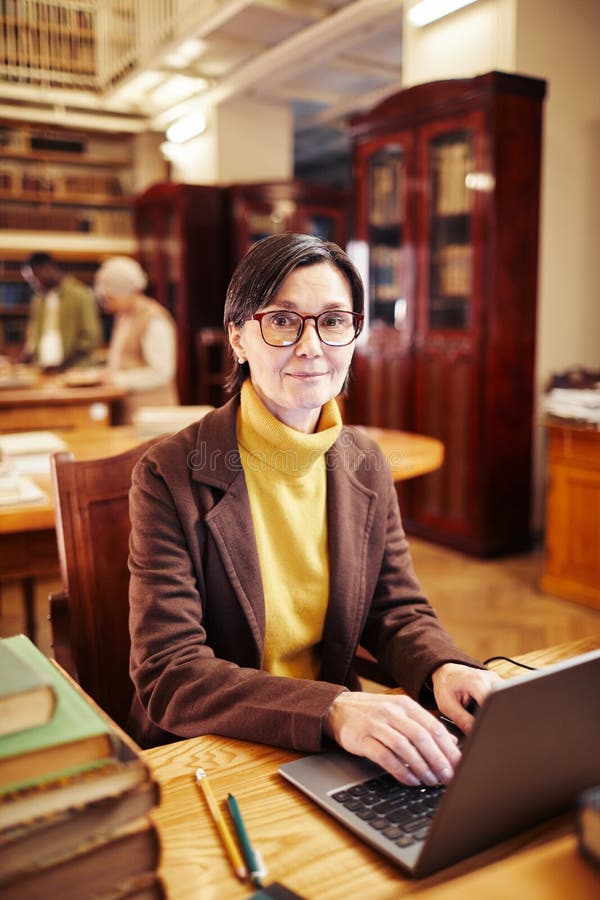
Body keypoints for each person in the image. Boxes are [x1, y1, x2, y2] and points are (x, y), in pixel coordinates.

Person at [128, 233, 500, 786]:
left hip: (333, 750)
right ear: (238, 337)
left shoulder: (364, 461)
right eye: (282, 320)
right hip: (217, 754)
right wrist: (331, 709)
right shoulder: (169, 474)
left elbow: (395, 608)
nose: (311, 346)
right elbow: (171, 674)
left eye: (332, 320)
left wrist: (444, 666)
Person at [94, 256, 179, 424]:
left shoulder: (154, 319)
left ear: (127, 292)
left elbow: (161, 373)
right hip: (128, 410)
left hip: (151, 417)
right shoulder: (124, 316)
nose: (108, 305)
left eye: (111, 298)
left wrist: (116, 379)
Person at [20, 252, 101, 371]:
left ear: (47, 269)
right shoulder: (38, 299)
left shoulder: (81, 295)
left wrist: (61, 366)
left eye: (34, 278)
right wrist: (22, 360)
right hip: (42, 369)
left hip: (75, 371)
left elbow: (90, 339)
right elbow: (34, 335)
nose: (33, 285)